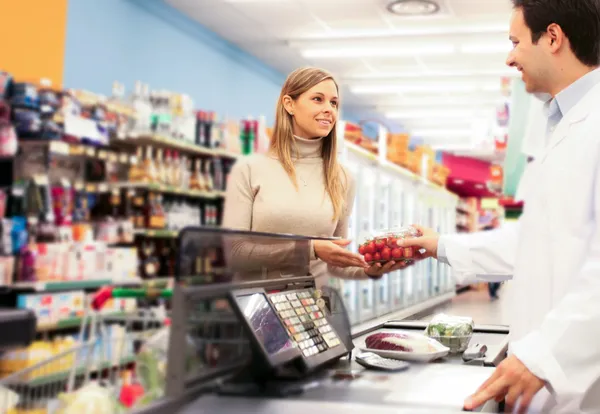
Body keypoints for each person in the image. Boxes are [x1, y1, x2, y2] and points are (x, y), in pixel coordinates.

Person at [400, 0, 600, 412]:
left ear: (553, 37)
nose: (510, 57)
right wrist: (441, 245)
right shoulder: (561, 122)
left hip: (578, 382)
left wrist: (546, 355)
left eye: (515, 41)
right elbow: (540, 241)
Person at [222, 67, 406, 287]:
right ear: (289, 104)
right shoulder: (250, 169)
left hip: (314, 310)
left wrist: (370, 268)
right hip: (258, 310)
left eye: (334, 103)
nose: (329, 109)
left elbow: (335, 263)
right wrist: (311, 249)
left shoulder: (343, 178)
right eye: (318, 99)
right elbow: (233, 252)